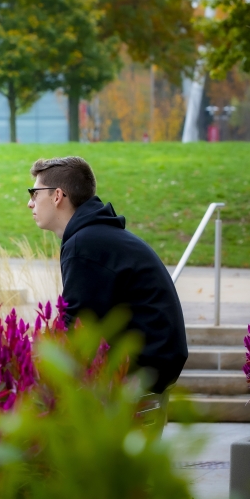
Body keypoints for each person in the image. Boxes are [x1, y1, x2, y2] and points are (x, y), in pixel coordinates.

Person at [26, 156, 187, 393]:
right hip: (153, 363)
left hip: (140, 371)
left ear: (57, 195)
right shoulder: (95, 236)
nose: (30, 203)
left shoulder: (85, 244)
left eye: (34, 193)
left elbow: (78, 326)